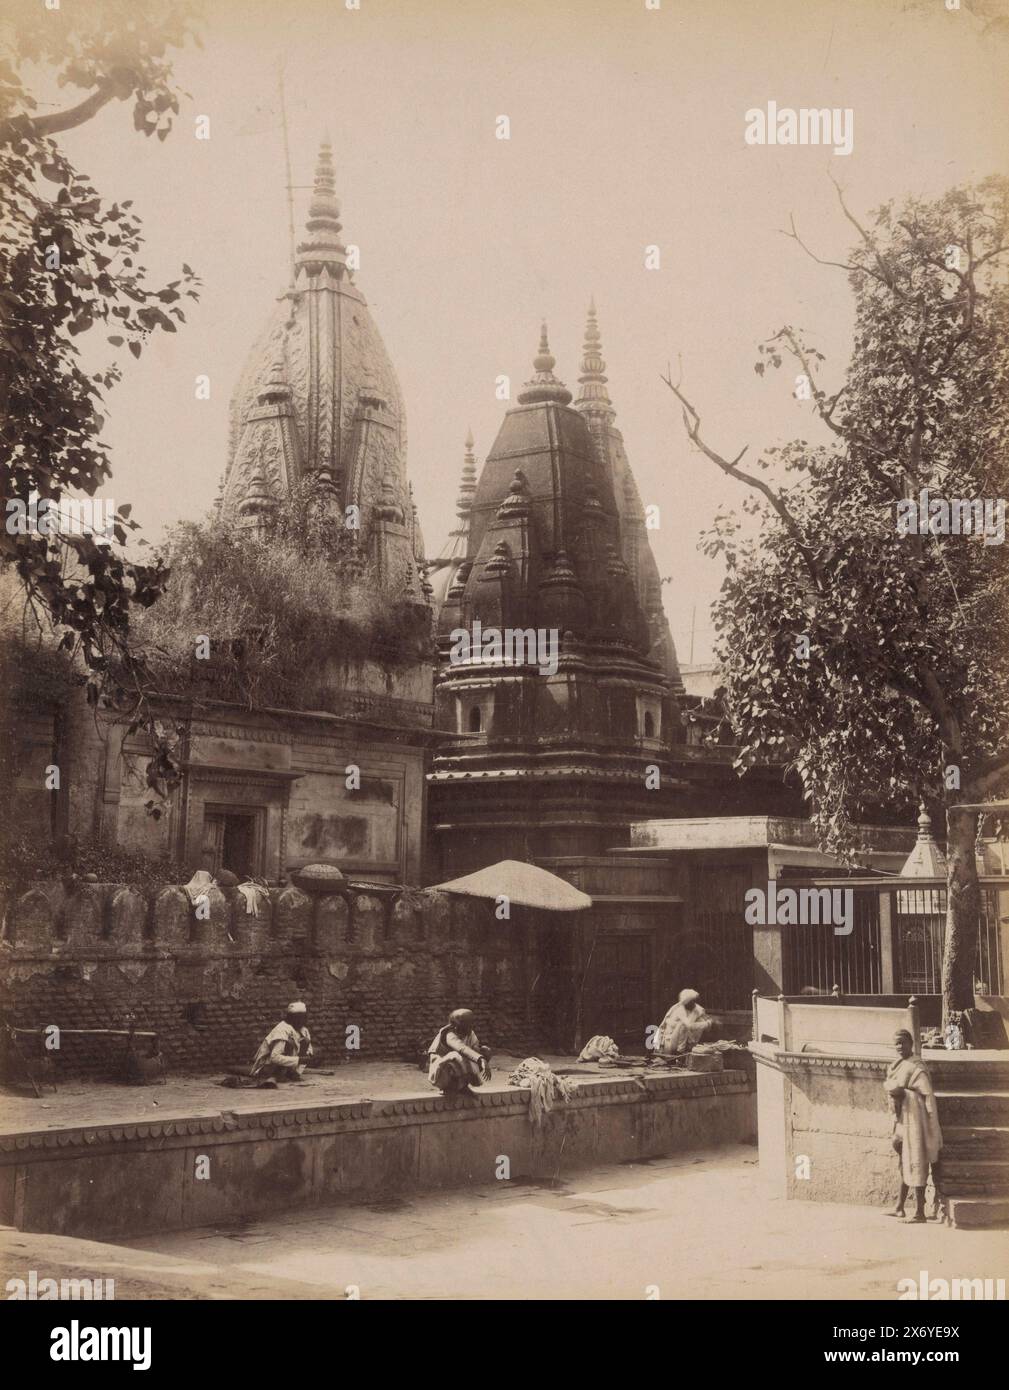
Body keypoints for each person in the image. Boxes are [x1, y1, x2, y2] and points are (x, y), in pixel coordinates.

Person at [883, 1029, 943, 1223]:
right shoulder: (897, 1065)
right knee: (903, 1162)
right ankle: (899, 1206)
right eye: (896, 1043)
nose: (900, 1047)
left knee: (916, 1160)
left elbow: (926, 1095)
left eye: (903, 1042)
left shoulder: (917, 1067)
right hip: (902, 1121)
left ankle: (920, 1212)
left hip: (917, 1122)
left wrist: (903, 1093)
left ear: (911, 1043)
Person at [249, 1001, 314, 1087]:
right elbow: (274, 1057)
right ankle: (276, 1075)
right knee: (289, 1043)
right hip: (268, 1067)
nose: (301, 1021)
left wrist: (298, 1071)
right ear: (292, 1018)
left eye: (303, 1017)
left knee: (305, 1042)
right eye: (298, 1018)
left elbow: (307, 1055)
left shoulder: (303, 1030)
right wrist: (299, 1060)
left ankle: (290, 1073)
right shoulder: (282, 1030)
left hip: (289, 1068)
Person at [428, 1008, 492, 1094]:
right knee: (455, 1056)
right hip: (440, 1072)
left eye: (472, 1022)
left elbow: (474, 1048)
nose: (471, 1025)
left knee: (485, 1051)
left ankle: (462, 1086)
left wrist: (482, 1054)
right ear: (457, 1025)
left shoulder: (470, 1033)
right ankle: (449, 1087)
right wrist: (481, 1059)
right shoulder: (449, 1034)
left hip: (458, 1065)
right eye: (468, 1023)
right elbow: (461, 1048)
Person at [655, 988, 713, 1055]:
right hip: (671, 1040)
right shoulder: (679, 1009)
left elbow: (705, 1017)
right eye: (691, 1002)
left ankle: (689, 1047)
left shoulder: (697, 1009)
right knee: (683, 1025)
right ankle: (680, 1052)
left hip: (688, 1040)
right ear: (686, 1002)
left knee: (700, 1020)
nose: (694, 1004)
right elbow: (689, 1025)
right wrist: (707, 1024)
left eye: (694, 1001)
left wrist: (708, 1021)